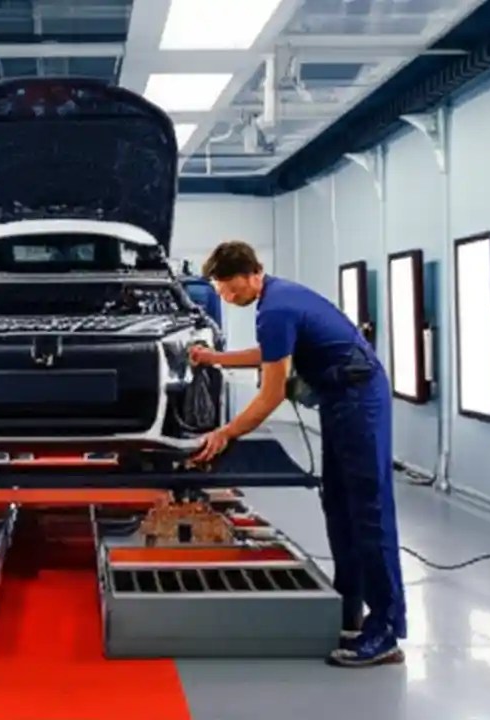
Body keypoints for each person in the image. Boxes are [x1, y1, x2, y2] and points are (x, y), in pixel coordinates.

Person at [187, 240, 407, 668]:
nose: (226, 297)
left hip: (359, 400)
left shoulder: (276, 308)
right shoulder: (276, 301)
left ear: (252, 273)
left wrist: (226, 433)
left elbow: (271, 393)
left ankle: (385, 632)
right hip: (341, 399)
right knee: (340, 507)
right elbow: (272, 355)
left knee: (368, 510)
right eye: (219, 290)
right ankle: (351, 611)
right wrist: (213, 358)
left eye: (229, 287)